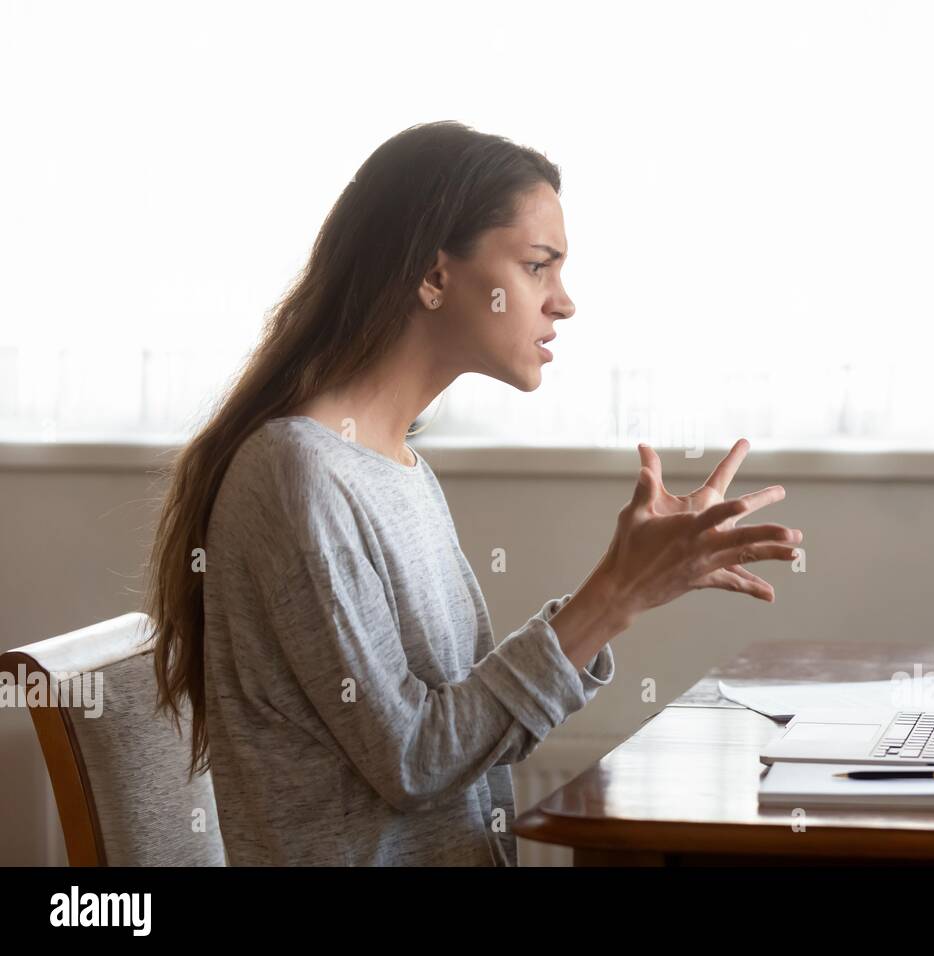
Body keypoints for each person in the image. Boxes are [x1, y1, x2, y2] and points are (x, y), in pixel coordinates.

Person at [146, 120, 801, 865]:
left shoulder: (394, 465)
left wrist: (626, 593)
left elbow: (457, 743)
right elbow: (416, 761)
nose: (564, 302)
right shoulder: (297, 474)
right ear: (433, 276)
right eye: (536, 266)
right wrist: (612, 595)